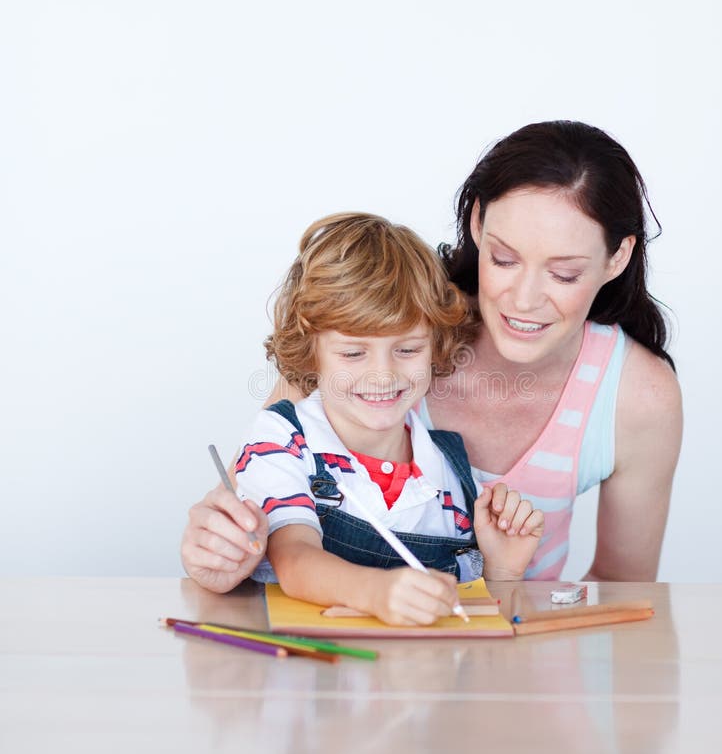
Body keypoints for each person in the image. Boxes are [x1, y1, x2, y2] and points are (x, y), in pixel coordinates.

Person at [181, 120, 682, 589]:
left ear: (617, 256)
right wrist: (219, 547)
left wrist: (512, 608)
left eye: (564, 274)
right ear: (477, 221)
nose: (525, 299)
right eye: (504, 259)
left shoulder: (638, 396)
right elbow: (254, 511)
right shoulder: (387, 319)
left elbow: (624, 595)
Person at [186, 212, 543, 624]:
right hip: (314, 677)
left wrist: (503, 572)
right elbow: (296, 559)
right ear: (311, 351)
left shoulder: (451, 476)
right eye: (354, 353)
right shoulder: (283, 441)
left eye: (407, 350)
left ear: (436, 346)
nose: (383, 375)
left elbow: (471, 621)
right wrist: (377, 592)